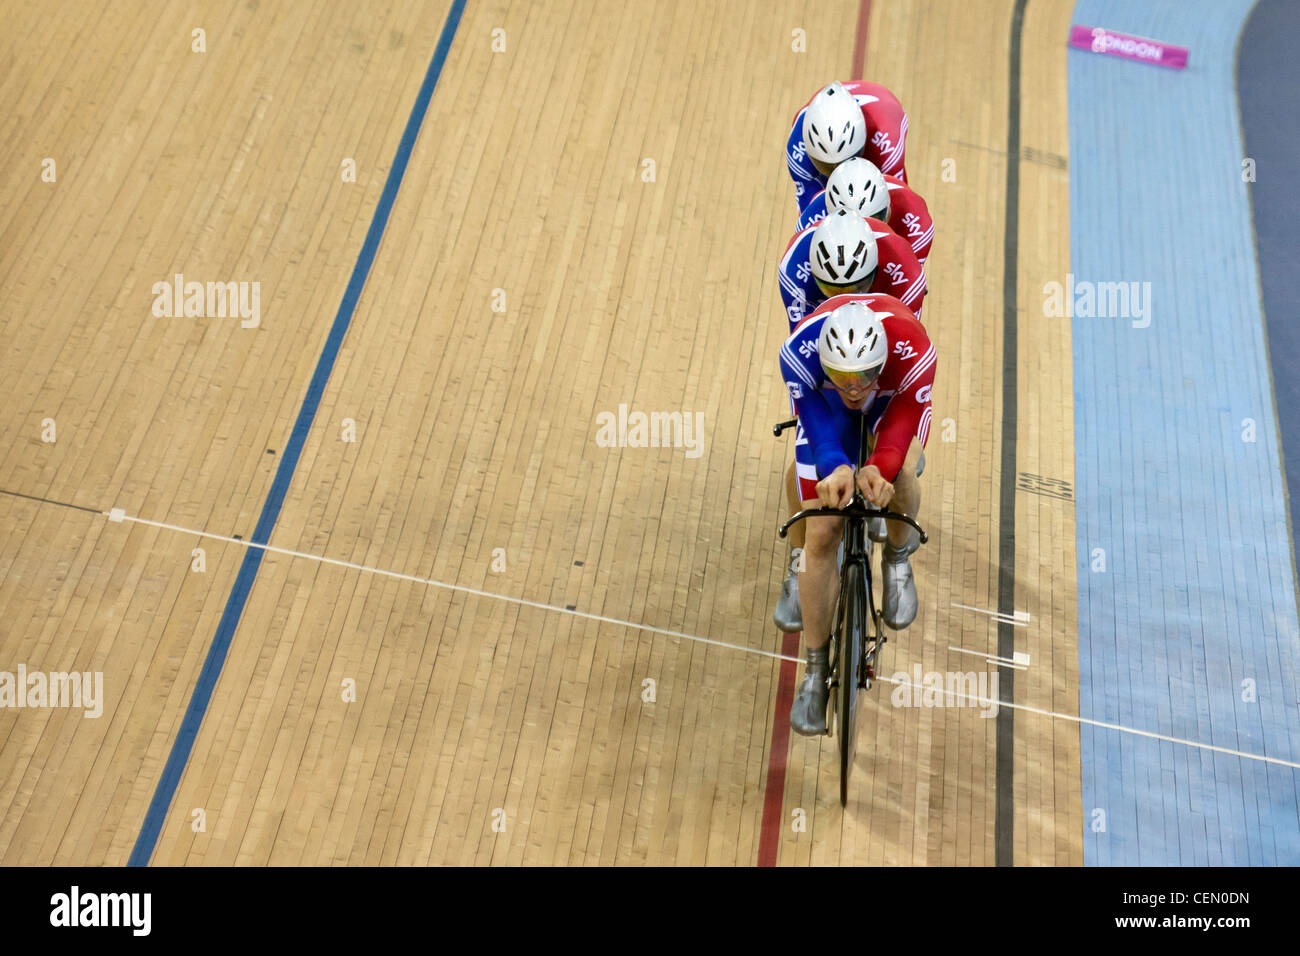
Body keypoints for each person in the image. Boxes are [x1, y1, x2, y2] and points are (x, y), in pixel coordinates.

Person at [776, 295, 935, 735]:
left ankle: (898, 560)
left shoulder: (913, 353)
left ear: (880, 363)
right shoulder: (799, 355)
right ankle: (814, 672)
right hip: (824, 410)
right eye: (842, 376)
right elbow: (816, 423)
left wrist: (879, 469)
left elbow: (903, 419)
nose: (853, 386)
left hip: (893, 402)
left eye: (862, 375)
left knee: (899, 474)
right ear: (824, 362)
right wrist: (836, 466)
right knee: (823, 528)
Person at [787, 81, 908, 212]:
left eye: (843, 162)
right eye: (825, 166)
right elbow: (808, 214)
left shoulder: (888, 146)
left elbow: (896, 203)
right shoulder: (797, 150)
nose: (837, 170)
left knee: (875, 201)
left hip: (882, 116)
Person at [796, 157, 934, 264]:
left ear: (888, 207)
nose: (870, 228)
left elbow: (908, 273)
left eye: (874, 219)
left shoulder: (916, 217)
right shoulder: (810, 221)